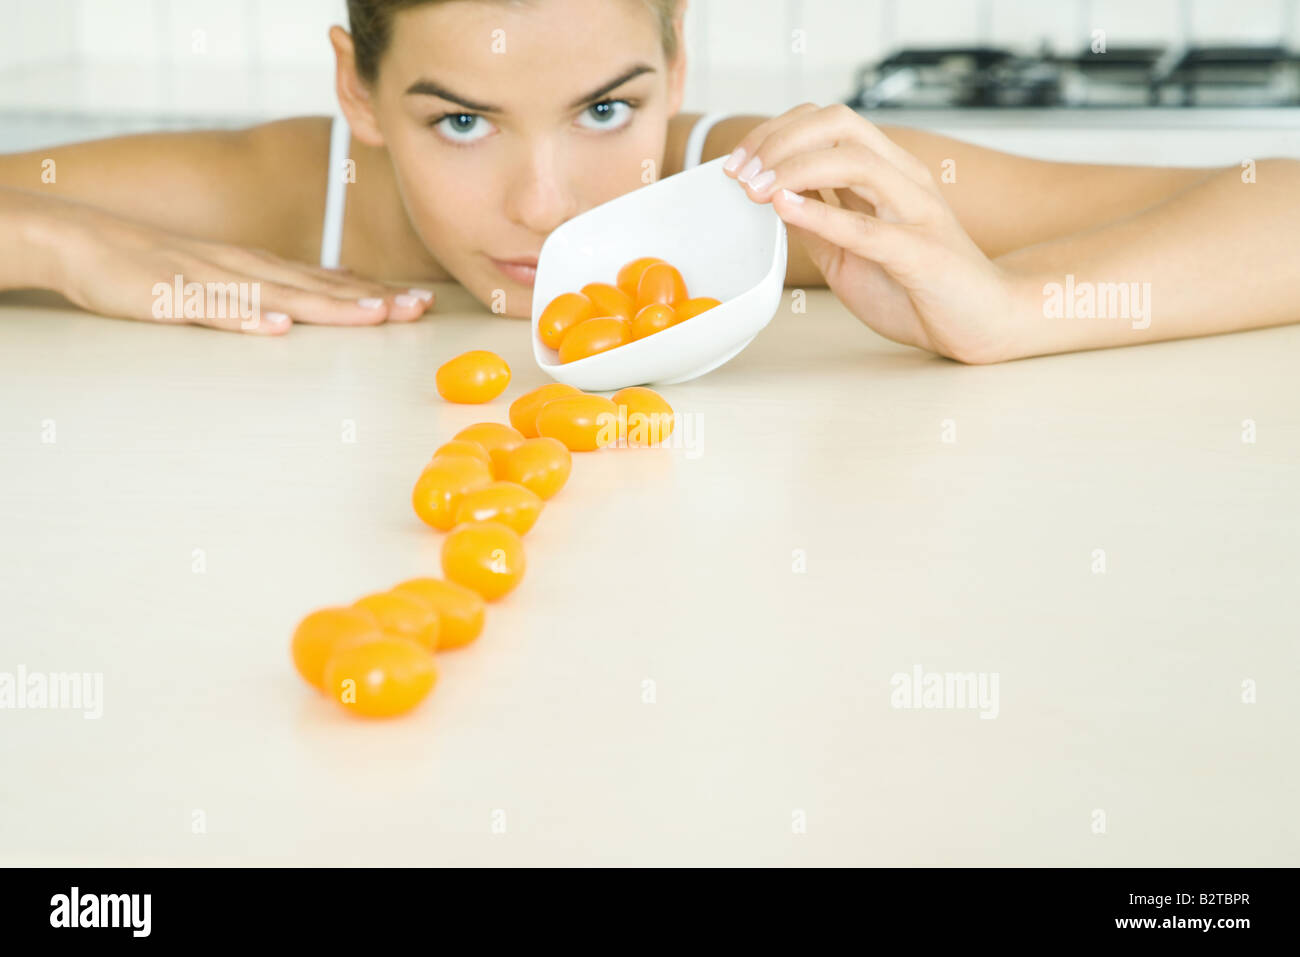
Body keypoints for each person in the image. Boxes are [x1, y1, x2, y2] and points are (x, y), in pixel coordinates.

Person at [1, 0, 1296, 363]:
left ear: (681, 66)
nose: (547, 205)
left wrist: (1018, 309)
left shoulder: (755, 185)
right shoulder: (301, 192)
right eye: (461, 123)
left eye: (608, 108)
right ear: (359, 92)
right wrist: (63, 242)